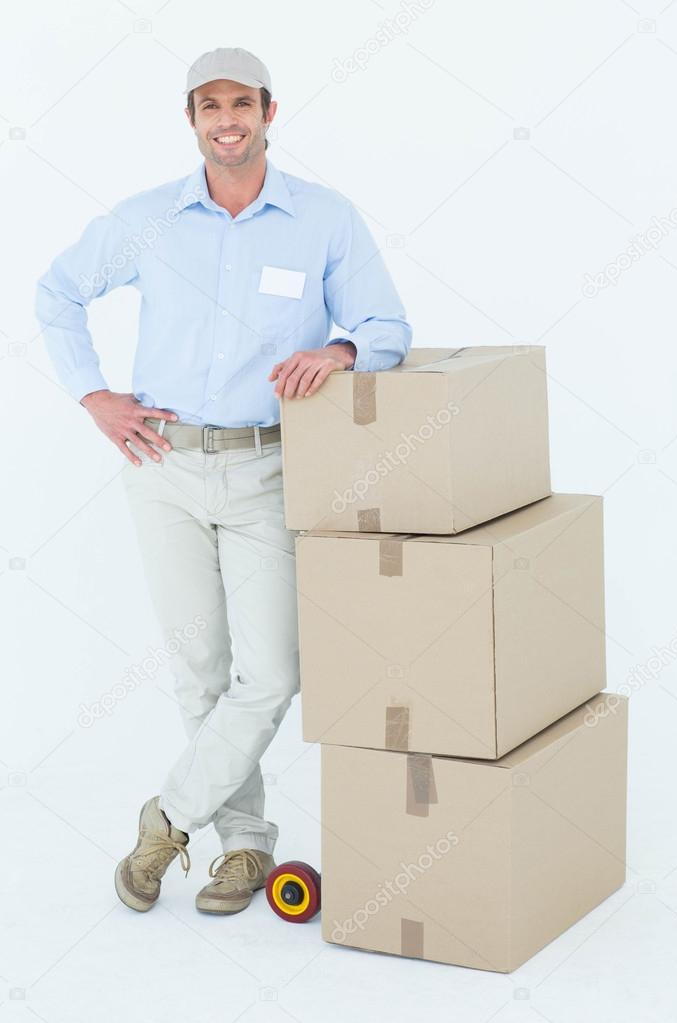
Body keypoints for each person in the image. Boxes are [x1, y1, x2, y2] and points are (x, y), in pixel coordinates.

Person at [35, 46, 412, 916]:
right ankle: (243, 848)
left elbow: (387, 321)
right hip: (160, 464)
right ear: (192, 119)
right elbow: (56, 293)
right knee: (200, 668)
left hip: (270, 467)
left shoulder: (322, 220)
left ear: (269, 113)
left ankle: (167, 817)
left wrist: (340, 349)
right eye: (210, 105)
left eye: (241, 102)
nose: (226, 119)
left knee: (271, 671)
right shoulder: (149, 219)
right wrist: (95, 396)